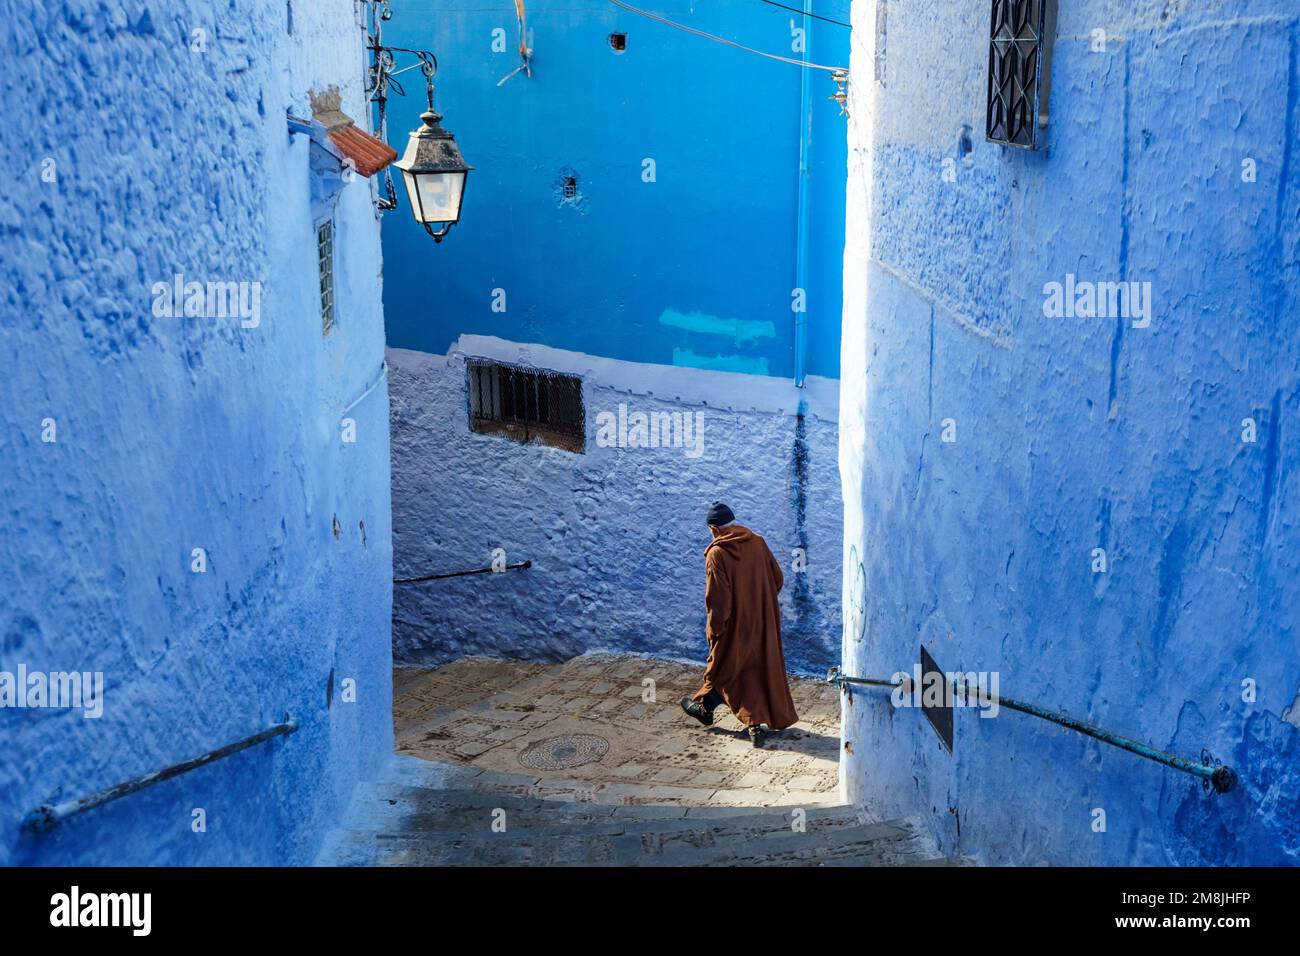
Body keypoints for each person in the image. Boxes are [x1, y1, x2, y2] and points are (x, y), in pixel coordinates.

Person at [679, 501, 799, 747]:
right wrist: (760, 603)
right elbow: (777, 579)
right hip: (763, 620)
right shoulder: (757, 541)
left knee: (725, 668)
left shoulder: (717, 554)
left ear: (714, 529)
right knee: (754, 669)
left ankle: (711, 709)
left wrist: (715, 629)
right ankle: (746, 721)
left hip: (734, 624)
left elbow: (718, 600)